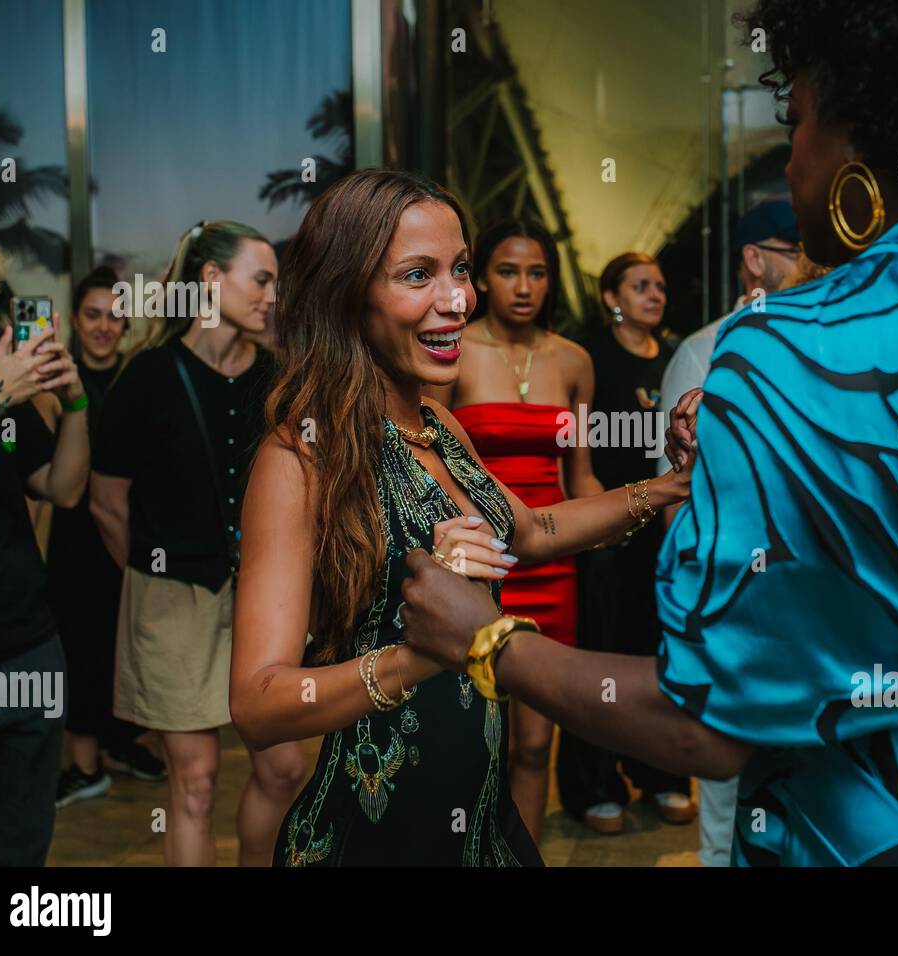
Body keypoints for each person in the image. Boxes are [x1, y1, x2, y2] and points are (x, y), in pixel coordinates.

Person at [397, 0, 898, 866]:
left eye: (796, 118)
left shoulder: (796, 347)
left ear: (857, 129)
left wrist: (488, 640)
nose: (793, 155)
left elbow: (703, 728)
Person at [227, 169, 693, 866]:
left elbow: (532, 532)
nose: (458, 299)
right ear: (348, 295)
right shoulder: (300, 457)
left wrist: (671, 486)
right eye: (419, 275)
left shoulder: (439, 426)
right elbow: (258, 704)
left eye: (462, 269)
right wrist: (426, 652)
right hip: (375, 832)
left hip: (478, 812)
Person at [90, 220, 307, 866]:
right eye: (261, 280)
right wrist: (153, 577)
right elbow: (106, 502)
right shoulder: (148, 377)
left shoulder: (276, 377)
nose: (273, 295)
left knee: (284, 767)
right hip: (171, 601)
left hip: (261, 602)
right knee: (196, 781)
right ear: (212, 278)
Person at [425, 218, 602, 844]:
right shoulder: (452, 350)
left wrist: (632, 516)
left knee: (533, 745)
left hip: (553, 567)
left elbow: (581, 474)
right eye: (507, 271)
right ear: (480, 278)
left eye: (537, 273)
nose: (523, 287)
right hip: (479, 563)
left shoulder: (574, 361)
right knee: (471, 742)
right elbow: (429, 463)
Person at [656, 199, 800, 865]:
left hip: (803, 601)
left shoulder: (822, 343)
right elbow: (675, 494)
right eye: (795, 251)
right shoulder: (704, 350)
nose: (810, 263)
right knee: (723, 784)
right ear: (754, 259)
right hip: (729, 598)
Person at [0, 226, 89, 864]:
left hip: (29, 650)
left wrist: (74, 402)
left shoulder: (4, 400)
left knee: (18, 849)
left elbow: (62, 488)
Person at [555, 251, 696, 835]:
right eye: (640, 286)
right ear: (611, 296)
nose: (655, 295)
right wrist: (590, 528)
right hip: (607, 535)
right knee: (601, 659)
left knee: (660, 655)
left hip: (664, 534)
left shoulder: (676, 357)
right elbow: (575, 456)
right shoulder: (589, 357)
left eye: (660, 285)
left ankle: (662, 774)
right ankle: (594, 784)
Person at [45, 267, 166, 810]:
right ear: (75, 319)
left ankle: (122, 744)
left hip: (133, 535)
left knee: (129, 648)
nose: (102, 326)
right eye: (92, 315)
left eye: (114, 317)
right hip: (74, 542)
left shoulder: (138, 380)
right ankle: (84, 764)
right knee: (81, 648)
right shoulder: (54, 382)